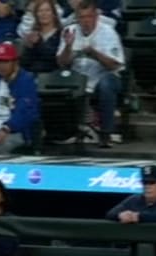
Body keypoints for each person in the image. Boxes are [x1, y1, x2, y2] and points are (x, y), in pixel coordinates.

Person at [56, 0, 124, 147]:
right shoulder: (70, 31)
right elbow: (61, 63)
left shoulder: (107, 32)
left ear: (96, 17)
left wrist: (94, 53)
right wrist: (68, 47)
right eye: (82, 17)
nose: (86, 21)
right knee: (60, 80)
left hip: (105, 78)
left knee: (106, 83)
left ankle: (106, 133)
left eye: (89, 17)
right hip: (77, 80)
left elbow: (115, 64)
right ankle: (68, 132)